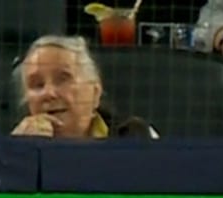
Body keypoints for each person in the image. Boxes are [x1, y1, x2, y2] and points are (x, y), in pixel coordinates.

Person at [11, 36, 158, 140]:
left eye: (62, 79)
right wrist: (20, 154)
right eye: (37, 85)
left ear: (95, 93)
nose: (49, 93)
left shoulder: (137, 136)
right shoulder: (13, 152)